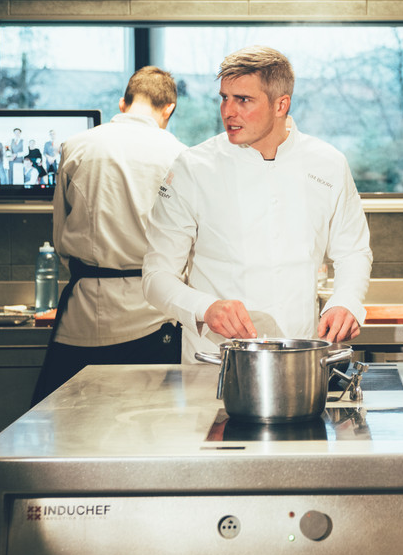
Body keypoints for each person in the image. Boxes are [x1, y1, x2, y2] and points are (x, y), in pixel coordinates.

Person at [143, 45, 372, 362]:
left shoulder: (328, 164)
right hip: (216, 360)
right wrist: (205, 308)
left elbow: (353, 251)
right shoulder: (192, 168)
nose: (228, 111)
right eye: (224, 98)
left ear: (281, 105)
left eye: (243, 100)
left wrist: (346, 300)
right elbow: (156, 277)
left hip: (299, 356)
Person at [30, 66, 187, 405]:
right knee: (145, 426)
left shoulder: (76, 146)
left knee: (70, 424)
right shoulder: (179, 154)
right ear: (169, 108)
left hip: (83, 317)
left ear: (123, 103)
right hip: (151, 317)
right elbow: (184, 245)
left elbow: (60, 234)